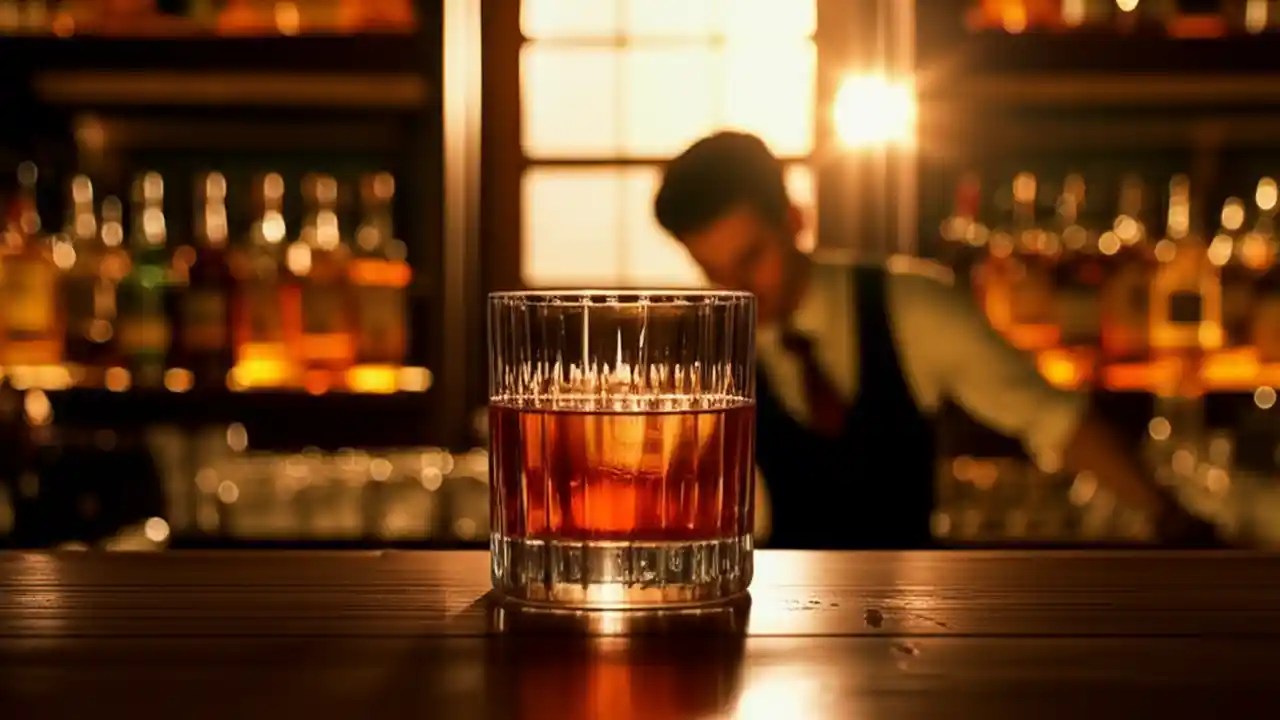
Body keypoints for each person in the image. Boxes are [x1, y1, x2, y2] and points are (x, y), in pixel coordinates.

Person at [654, 130, 1217, 549]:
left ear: (796, 219)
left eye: (751, 259)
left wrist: (1173, 520)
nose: (736, 290)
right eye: (714, 272)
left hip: (911, 615)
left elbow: (1052, 420)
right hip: (776, 623)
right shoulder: (706, 350)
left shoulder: (909, 303)